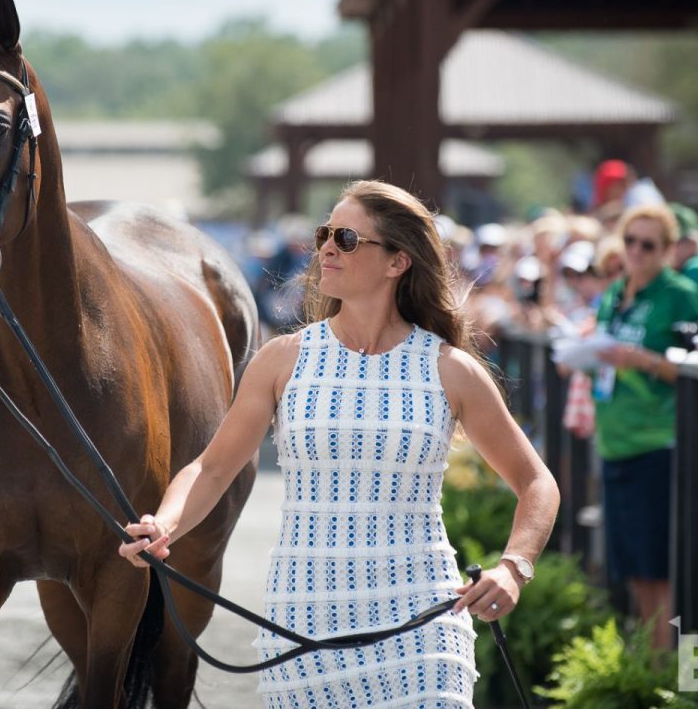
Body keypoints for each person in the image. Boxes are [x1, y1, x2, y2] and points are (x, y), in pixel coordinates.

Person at [118, 181, 560, 707]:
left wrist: (514, 567)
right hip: (301, 626)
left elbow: (537, 482)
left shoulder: (450, 369)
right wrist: (164, 524)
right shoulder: (282, 360)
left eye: (347, 238)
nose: (326, 247)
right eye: (325, 233)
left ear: (398, 262)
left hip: (422, 632)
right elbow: (211, 469)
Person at [591, 203, 698, 650]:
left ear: (667, 250)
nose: (637, 251)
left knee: (659, 568)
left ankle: (665, 673)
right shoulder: (615, 292)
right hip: (615, 441)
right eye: (630, 241)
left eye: (648, 244)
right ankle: (648, 665)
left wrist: (644, 361)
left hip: (658, 442)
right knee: (634, 569)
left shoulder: (679, 294)